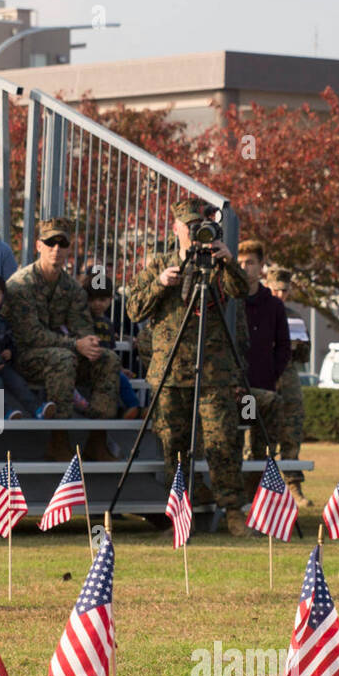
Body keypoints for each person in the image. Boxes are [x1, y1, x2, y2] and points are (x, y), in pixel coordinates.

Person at [123, 198, 250, 536]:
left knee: (222, 442)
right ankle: (181, 516)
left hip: (214, 372)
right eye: (190, 226)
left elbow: (242, 291)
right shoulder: (159, 265)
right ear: (177, 228)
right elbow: (134, 309)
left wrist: (229, 262)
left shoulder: (218, 264)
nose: (196, 233)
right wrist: (160, 283)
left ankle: (233, 512)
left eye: (201, 226)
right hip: (170, 371)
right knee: (173, 448)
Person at [5, 217, 121, 462]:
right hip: (23, 358)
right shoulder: (20, 285)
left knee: (107, 358)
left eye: (62, 243)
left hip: (61, 355)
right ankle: (58, 440)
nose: (56, 249)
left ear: (69, 248)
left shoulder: (73, 288)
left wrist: (88, 343)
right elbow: (30, 335)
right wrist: (74, 344)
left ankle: (97, 440)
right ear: (38, 245)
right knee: (64, 358)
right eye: (50, 242)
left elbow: (82, 325)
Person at [237, 238, 290, 488]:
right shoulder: (229, 300)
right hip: (234, 389)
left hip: (262, 386)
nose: (245, 267)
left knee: (260, 446)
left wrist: (273, 375)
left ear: (261, 267)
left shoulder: (274, 306)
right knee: (240, 443)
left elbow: (283, 347)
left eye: (250, 263)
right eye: (240, 263)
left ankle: (256, 495)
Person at [0, 271, 55, 420]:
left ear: (3, 296)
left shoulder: (3, 321)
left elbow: (11, 342)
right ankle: (6, 412)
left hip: (0, 365)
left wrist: (9, 352)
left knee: (16, 381)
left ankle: (37, 409)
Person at [263, 266, 313, 507]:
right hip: (265, 376)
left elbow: (305, 355)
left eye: (284, 291)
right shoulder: (257, 311)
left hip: (290, 376)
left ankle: (294, 486)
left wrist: (299, 345)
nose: (280, 295)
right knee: (263, 431)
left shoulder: (295, 316)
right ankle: (263, 486)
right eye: (275, 290)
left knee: (292, 428)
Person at [83, 277, 141, 418]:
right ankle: (133, 407)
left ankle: (132, 409)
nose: (97, 304)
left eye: (102, 300)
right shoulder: (84, 321)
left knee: (122, 378)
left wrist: (120, 368)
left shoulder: (108, 324)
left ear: (110, 300)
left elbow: (110, 350)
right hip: (89, 366)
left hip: (106, 366)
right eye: (92, 299)